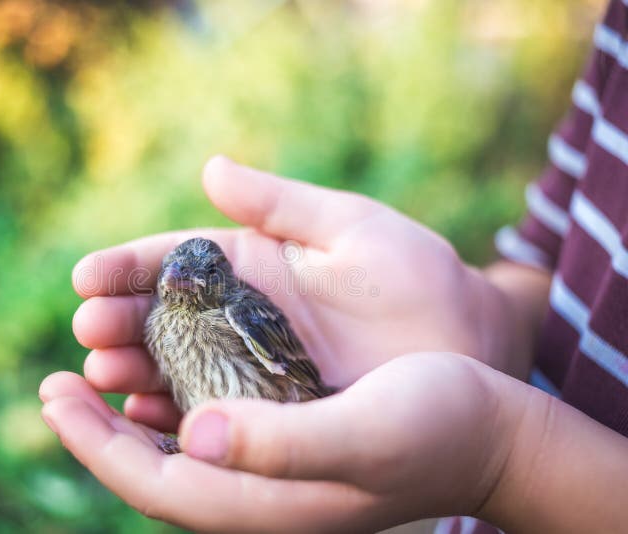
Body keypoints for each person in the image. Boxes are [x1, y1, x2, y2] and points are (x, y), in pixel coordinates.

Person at [39, 1, 628, 531]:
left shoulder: (240, 314)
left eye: (195, 279)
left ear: (219, 286)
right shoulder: (161, 324)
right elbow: (550, 252)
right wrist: (491, 318)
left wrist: (503, 459)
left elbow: (296, 383)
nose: (177, 286)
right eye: (174, 279)